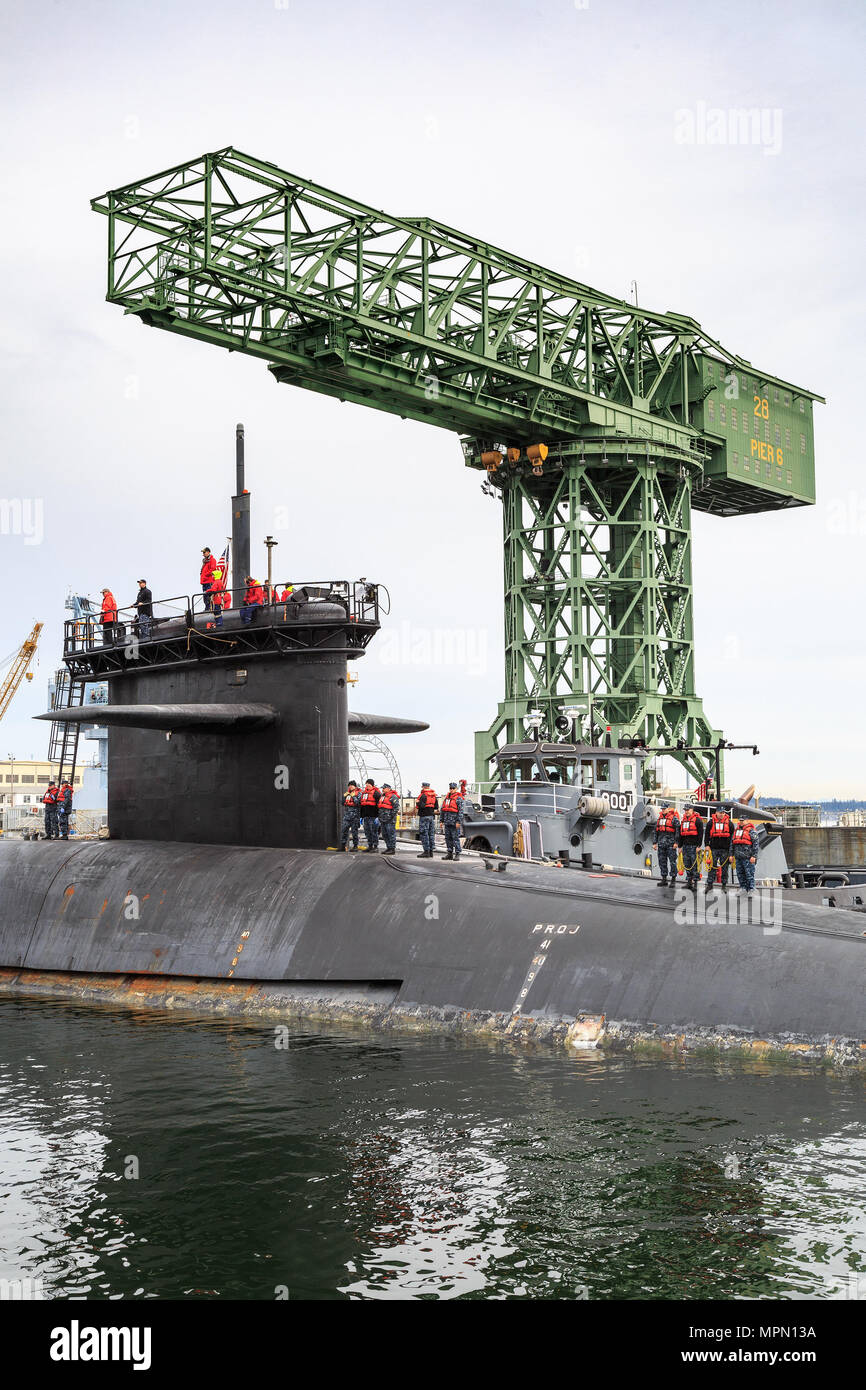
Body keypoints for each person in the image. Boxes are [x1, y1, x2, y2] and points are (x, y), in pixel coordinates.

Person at [705, 804, 733, 890]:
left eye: (723, 813)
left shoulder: (730, 824)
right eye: (720, 812)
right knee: (712, 866)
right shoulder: (711, 822)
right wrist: (707, 845)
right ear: (716, 813)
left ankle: (724, 885)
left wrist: (731, 852)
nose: (721, 814)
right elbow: (706, 835)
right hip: (714, 848)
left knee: (724, 868)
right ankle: (710, 884)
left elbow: (732, 837)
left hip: (725, 849)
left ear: (725, 813)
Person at [677, 803, 705, 892]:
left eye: (688, 810)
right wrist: (680, 846)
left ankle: (695, 883)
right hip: (685, 846)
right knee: (687, 864)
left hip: (694, 847)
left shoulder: (698, 821)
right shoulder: (684, 821)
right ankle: (689, 882)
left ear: (692, 810)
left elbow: (700, 834)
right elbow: (681, 835)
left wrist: (698, 846)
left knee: (695, 865)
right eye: (685, 810)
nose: (686, 812)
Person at [653, 802, 680, 886]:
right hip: (661, 844)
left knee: (672, 862)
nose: (663, 810)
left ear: (668, 809)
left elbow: (678, 832)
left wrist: (676, 842)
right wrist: (655, 842)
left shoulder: (674, 819)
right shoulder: (659, 819)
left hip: (671, 844)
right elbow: (656, 831)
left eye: (664, 809)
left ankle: (673, 879)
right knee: (662, 861)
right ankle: (664, 879)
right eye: (662, 809)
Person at [732, 819, 759, 894]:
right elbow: (732, 844)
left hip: (748, 857)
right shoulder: (736, 831)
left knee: (749, 874)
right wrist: (731, 855)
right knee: (740, 873)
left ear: (747, 821)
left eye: (743, 820)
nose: (741, 822)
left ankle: (751, 889)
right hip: (738, 857)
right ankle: (743, 888)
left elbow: (756, 844)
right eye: (740, 820)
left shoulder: (752, 831)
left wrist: (754, 856)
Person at [439, 782, 464, 861]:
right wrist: (441, 820)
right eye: (450, 788)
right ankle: (449, 853)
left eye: (453, 788)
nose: (452, 790)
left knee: (455, 838)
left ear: (456, 789)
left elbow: (461, 811)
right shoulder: (447, 799)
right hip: (447, 822)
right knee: (448, 838)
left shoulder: (458, 798)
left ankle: (457, 853)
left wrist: (458, 822)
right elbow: (442, 810)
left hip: (454, 822)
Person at [415, 782, 438, 858]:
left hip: (424, 816)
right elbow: (436, 807)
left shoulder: (423, 795)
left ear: (423, 787)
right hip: (431, 816)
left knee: (424, 834)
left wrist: (417, 803)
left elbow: (421, 806)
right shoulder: (434, 796)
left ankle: (426, 851)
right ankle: (431, 852)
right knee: (431, 834)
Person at [378, 783, 399, 855]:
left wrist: (390, 817)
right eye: (382, 788)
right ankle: (388, 847)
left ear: (388, 789)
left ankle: (392, 849)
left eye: (384, 788)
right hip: (383, 819)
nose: (382, 790)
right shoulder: (382, 797)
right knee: (384, 834)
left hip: (390, 820)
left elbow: (396, 808)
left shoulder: (393, 797)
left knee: (391, 834)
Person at [358, 779, 380, 851]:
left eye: (369, 784)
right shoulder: (364, 794)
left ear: (372, 785)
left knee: (374, 831)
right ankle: (370, 845)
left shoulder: (376, 793)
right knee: (367, 831)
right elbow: (362, 805)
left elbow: (379, 805)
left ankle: (375, 846)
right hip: (365, 816)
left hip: (373, 816)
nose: (367, 785)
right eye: (366, 784)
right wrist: (361, 816)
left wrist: (378, 816)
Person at [340, 781, 361, 851]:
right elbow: (342, 803)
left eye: (352, 785)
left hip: (355, 816)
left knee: (354, 832)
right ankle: (343, 846)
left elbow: (358, 803)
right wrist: (344, 796)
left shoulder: (358, 793)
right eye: (349, 785)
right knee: (344, 830)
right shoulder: (347, 794)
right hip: (347, 816)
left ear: (355, 786)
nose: (350, 787)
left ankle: (355, 846)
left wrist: (353, 796)